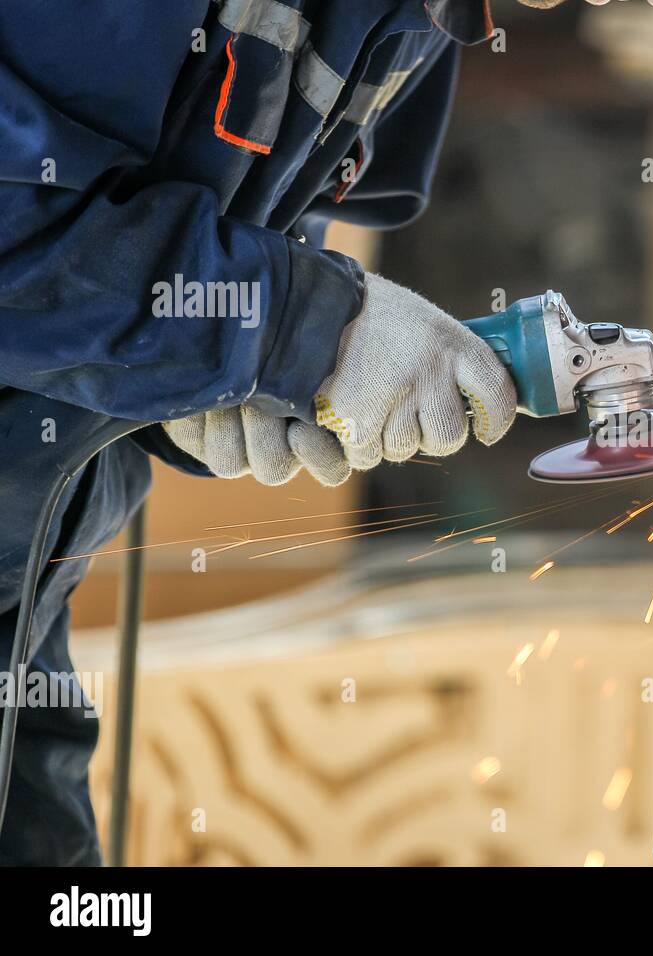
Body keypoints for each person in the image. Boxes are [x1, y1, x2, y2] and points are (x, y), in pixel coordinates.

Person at [0, 0, 541, 865]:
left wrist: (205, 388)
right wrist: (297, 328)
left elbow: (226, 212)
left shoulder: (427, 17)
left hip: (26, 584)